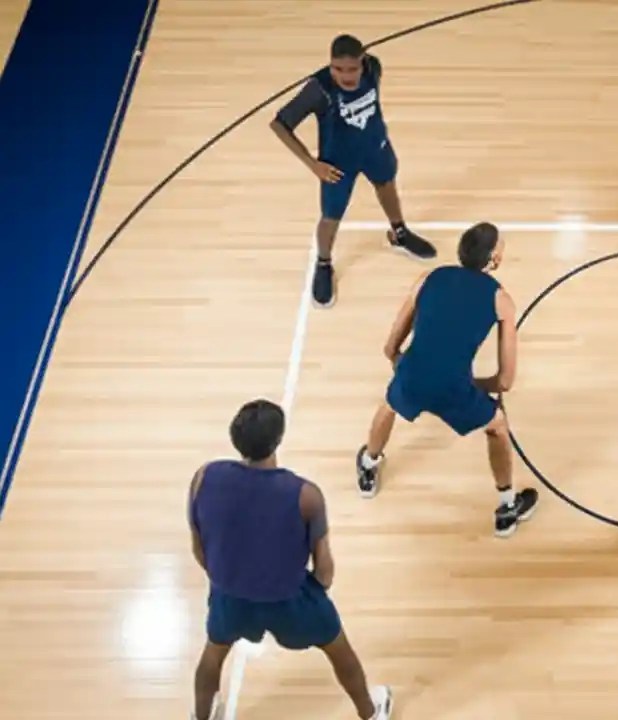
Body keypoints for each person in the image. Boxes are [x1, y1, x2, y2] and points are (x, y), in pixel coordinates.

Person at [187, 399, 392, 720]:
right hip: (291, 599)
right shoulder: (305, 494)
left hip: (231, 597)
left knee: (212, 656)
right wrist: (311, 597)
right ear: (278, 440)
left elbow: (199, 549)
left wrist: (231, 581)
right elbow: (324, 571)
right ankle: (370, 711)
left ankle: (201, 716)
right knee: (340, 650)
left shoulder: (204, 477)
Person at [355, 222, 539, 537]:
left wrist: (402, 364)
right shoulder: (501, 300)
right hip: (455, 388)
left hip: (412, 374)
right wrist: (472, 385)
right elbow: (505, 381)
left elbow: (390, 347)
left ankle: (369, 467)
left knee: (390, 403)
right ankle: (507, 507)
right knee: (497, 427)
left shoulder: (430, 277)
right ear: (493, 259)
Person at [270, 33, 436, 309]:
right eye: (338, 68)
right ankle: (324, 263)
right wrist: (312, 164)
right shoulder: (318, 89)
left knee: (387, 186)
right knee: (330, 217)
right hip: (338, 164)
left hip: (375, 147)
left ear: (362, 62)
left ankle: (400, 233)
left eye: (352, 68)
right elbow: (279, 125)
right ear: (329, 64)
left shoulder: (374, 67)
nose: (345, 75)